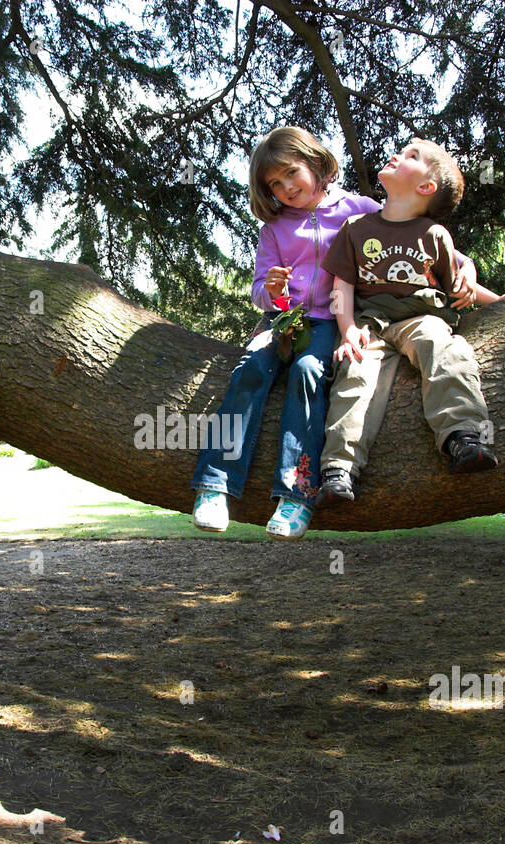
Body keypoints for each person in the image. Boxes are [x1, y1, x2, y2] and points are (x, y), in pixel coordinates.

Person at [190, 127, 481, 539]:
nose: (286, 187)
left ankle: (296, 495)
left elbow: (412, 235)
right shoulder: (274, 229)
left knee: (309, 373)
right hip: (281, 321)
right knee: (250, 370)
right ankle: (214, 484)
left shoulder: (357, 208)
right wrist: (271, 291)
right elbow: (258, 292)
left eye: (291, 173)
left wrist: (465, 266)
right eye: (274, 183)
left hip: (329, 322)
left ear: (316, 163)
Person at [316, 139, 505, 507]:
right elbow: (343, 286)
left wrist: (499, 300)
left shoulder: (434, 235)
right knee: (353, 375)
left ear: (426, 188)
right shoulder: (355, 228)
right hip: (371, 322)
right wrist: (348, 327)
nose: (397, 154)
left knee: (446, 349)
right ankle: (339, 469)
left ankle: (463, 437)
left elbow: (460, 287)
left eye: (412, 156)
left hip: (423, 316)